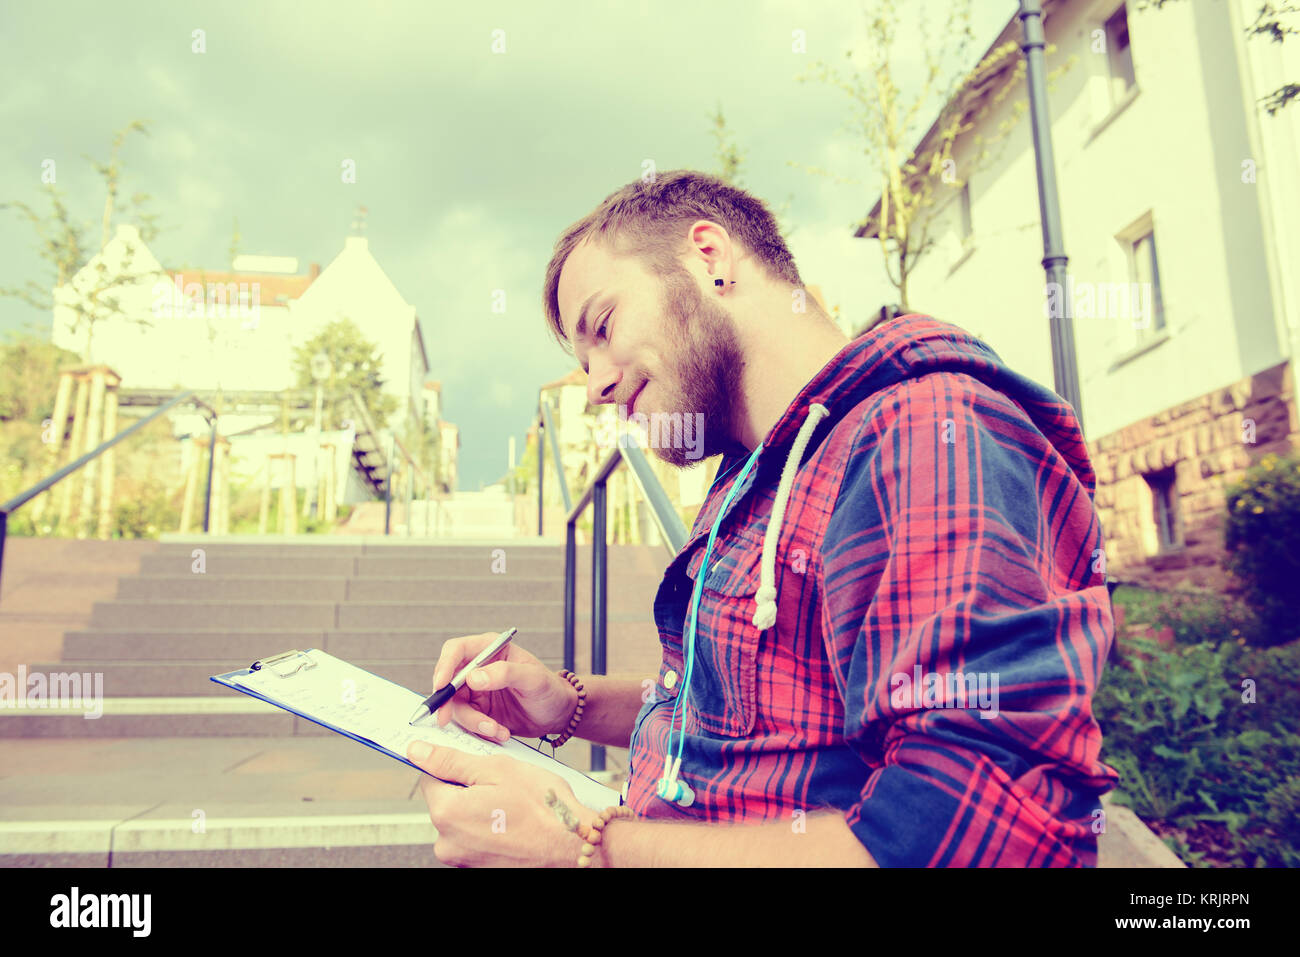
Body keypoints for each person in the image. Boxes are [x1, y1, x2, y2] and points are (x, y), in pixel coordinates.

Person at [407, 169, 1119, 867]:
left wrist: (584, 846)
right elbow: (733, 715)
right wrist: (565, 706)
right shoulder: (753, 472)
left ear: (709, 257)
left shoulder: (925, 431)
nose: (594, 384)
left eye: (602, 325)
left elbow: (979, 834)